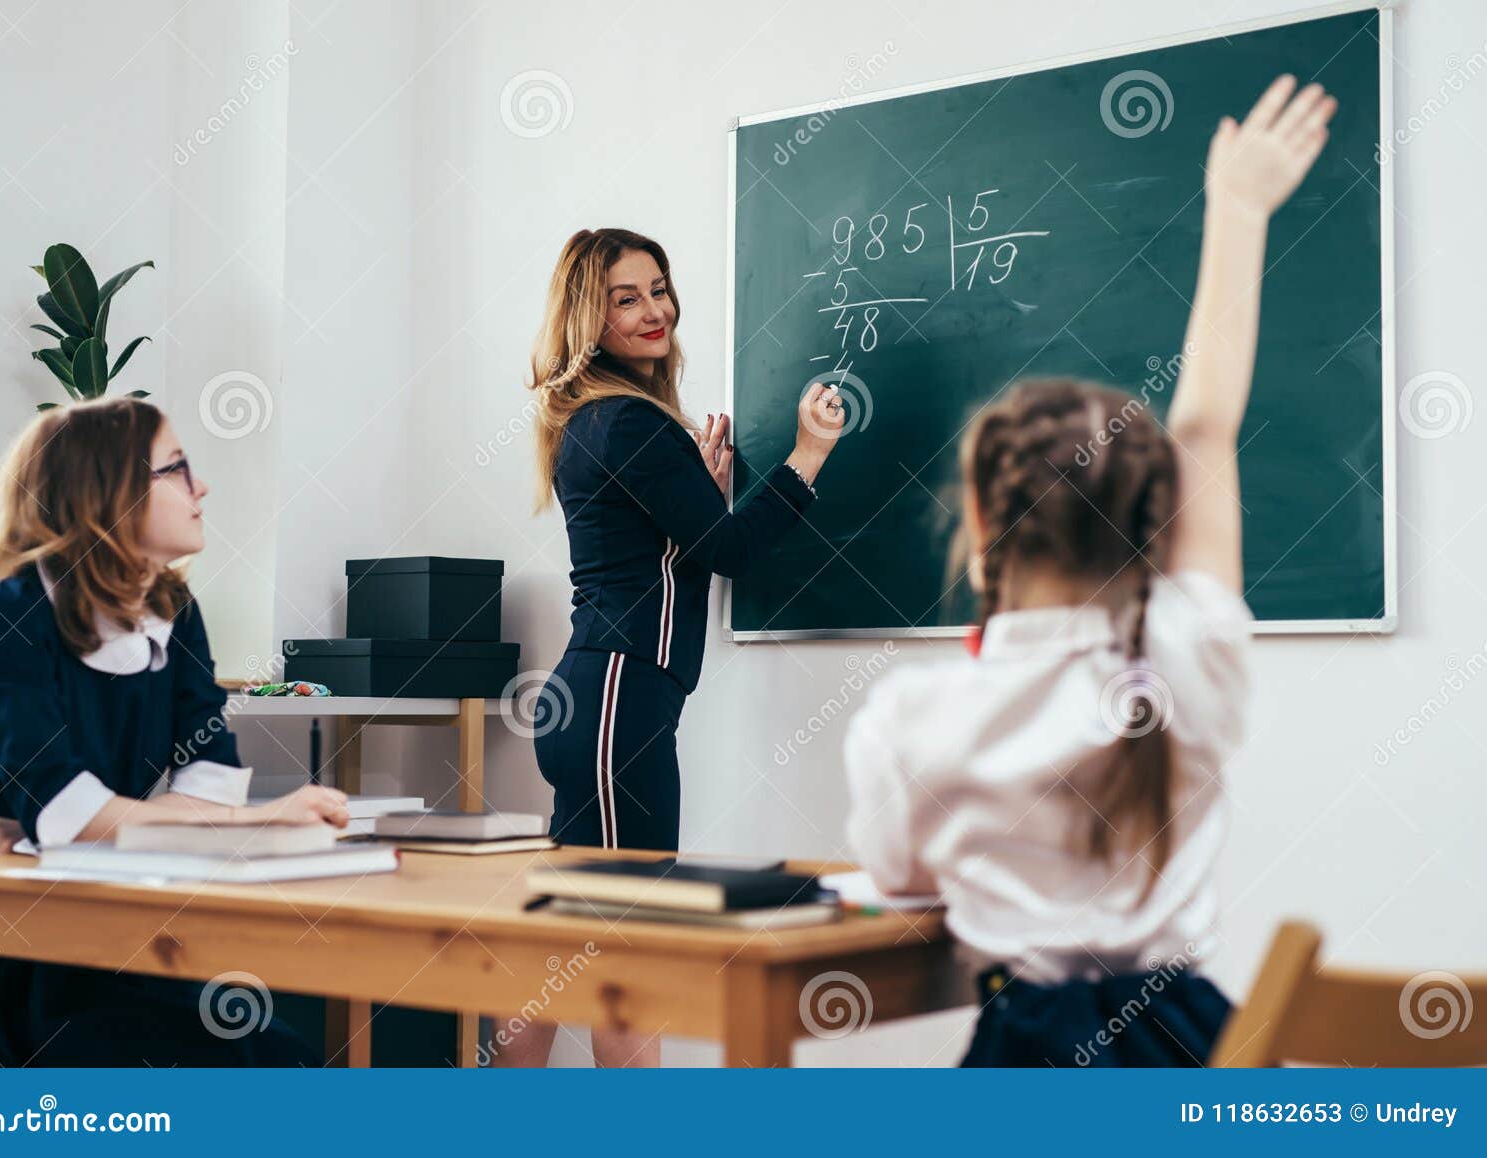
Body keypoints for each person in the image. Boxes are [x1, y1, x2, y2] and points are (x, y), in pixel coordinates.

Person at [842, 77, 1337, 1066]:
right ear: (1153, 525)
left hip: (1022, 1062)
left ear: (979, 522)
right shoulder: (1189, 660)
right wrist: (1237, 212)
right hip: (1193, 1053)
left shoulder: (910, 721)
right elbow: (1202, 425)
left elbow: (895, 878)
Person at [500, 227, 845, 1067]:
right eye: (626, 297)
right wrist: (807, 456)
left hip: (598, 699)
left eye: (659, 288)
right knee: (629, 948)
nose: (655, 310)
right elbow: (726, 553)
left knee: (563, 942)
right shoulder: (630, 423)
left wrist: (707, 498)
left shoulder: (604, 421)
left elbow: (679, 552)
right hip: (621, 705)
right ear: (591, 316)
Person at [0, 396, 349, 1066]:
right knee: (243, 1068)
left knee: (283, 1058)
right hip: (7, 953)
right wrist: (265, 822)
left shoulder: (174, 610)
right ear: (113, 492)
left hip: (113, 924)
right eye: (178, 469)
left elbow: (207, 787)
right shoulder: (13, 613)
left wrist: (81, 829)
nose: (202, 486)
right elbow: (71, 812)